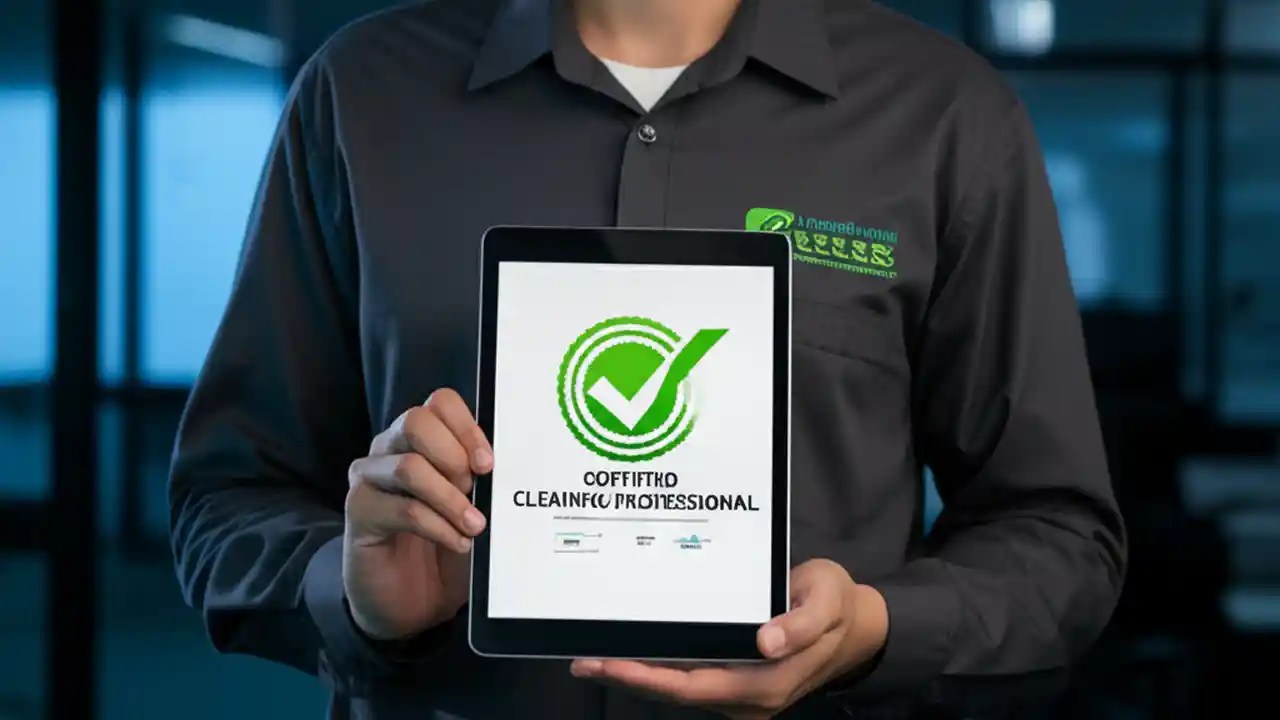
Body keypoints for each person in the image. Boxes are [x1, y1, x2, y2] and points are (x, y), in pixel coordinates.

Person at [167, 0, 1127, 718]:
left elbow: (1060, 539)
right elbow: (226, 500)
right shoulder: (362, 96)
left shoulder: (943, 118)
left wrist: (876, 627)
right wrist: (356, 592)